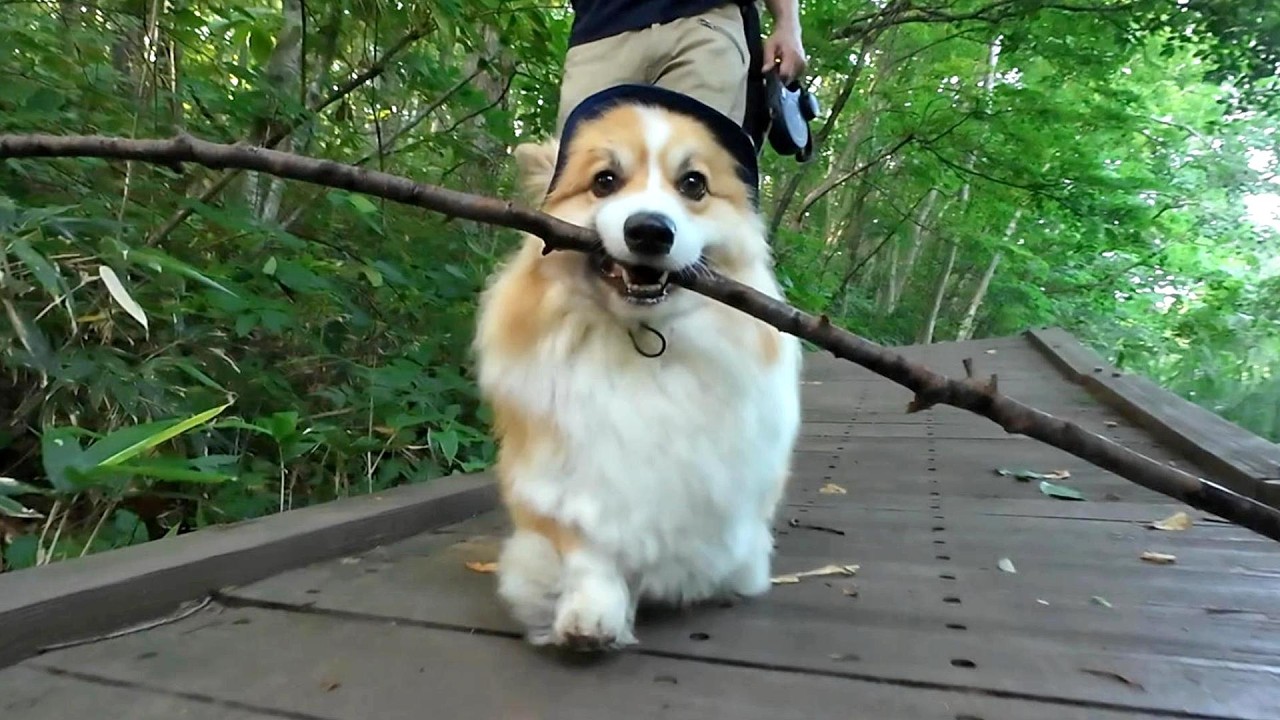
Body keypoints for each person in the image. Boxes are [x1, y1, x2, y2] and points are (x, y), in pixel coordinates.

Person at [553, 0, 807, 150]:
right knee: (578, 187)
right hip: (599, 31)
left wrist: (788, 23)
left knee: (693, 175)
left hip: (705, 21)